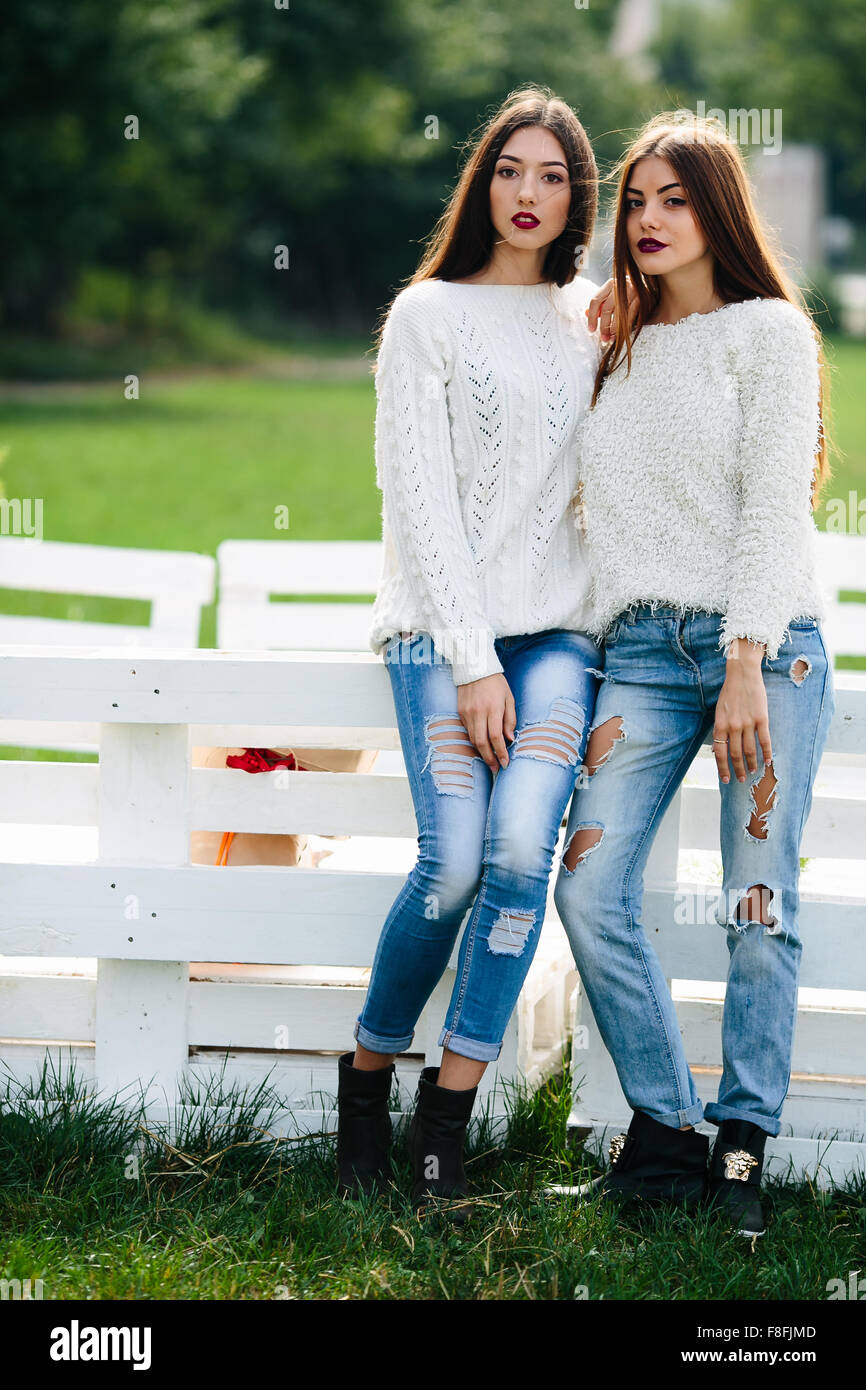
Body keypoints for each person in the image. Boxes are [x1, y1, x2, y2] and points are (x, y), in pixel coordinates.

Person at [551, 111, 836, 1239]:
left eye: (674, 198)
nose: (649, 218)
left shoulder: (767, 335)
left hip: (757, 653)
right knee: (586, 885)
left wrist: (743, 664)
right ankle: (664, 1131)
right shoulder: (608, 341)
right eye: (634, 200)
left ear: (716, 212)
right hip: (634, 655)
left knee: (753, 906)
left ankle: (740, 1152)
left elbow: (773, 506)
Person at [336, 86, 617, 1219]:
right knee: (449, 863)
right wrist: (468, 657)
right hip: (440, 631)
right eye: (511, 171)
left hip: (558, 634)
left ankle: (441, 1131)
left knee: (516, 859)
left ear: (574, 197)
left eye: (553, 177)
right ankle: (366, 1077)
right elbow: (420, 503)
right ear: (482, 182)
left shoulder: (592, 319)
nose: (529, 195)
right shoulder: (425, 316)